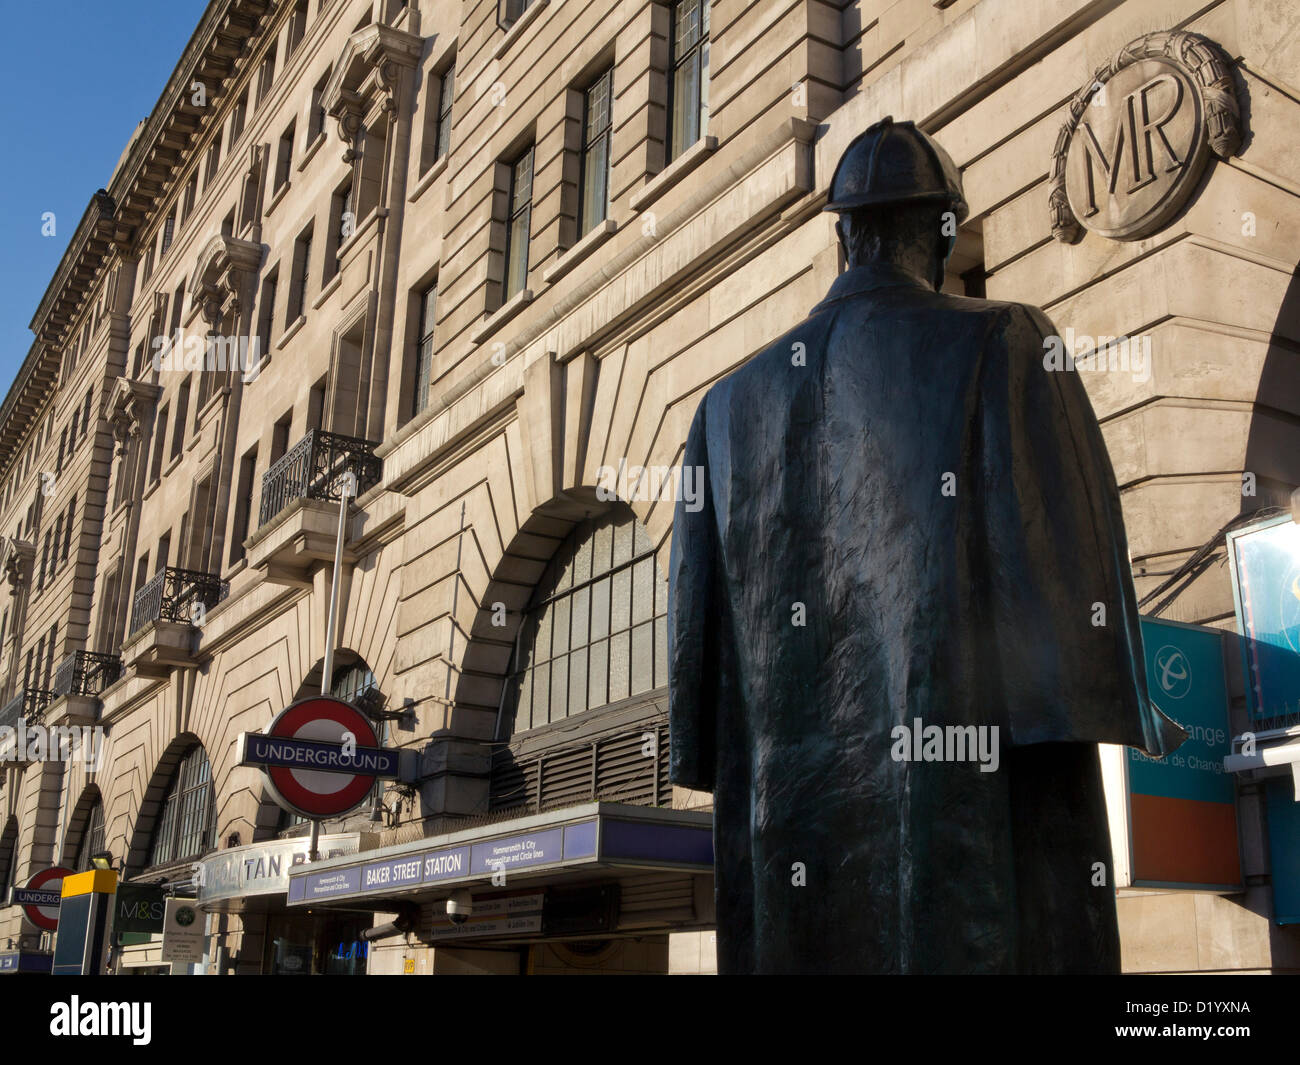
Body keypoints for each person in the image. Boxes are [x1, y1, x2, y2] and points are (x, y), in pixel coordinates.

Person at [667, 116, 1186, 974]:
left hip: (786, 876)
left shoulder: (720, 411)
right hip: (965, 854)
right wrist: (1132, 688)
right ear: (940, 230)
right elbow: (1067, 630)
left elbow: (696, 694)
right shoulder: (1007, 340)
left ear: (842, 235)